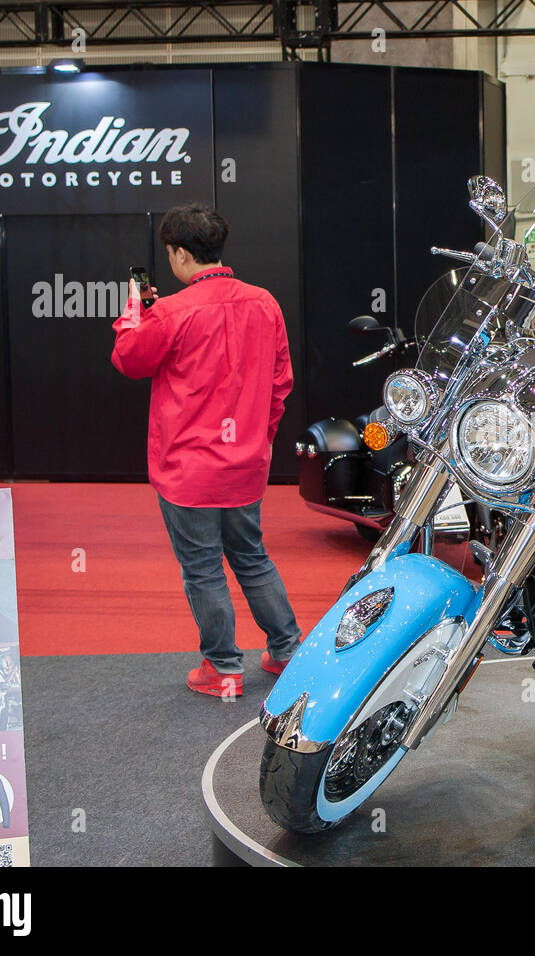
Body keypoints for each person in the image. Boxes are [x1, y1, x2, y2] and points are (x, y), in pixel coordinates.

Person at [111, 202, 302, 698]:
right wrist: (259, 439)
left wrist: (136, 309)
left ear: (176, 254)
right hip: (245, 462)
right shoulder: (265, 303)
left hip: (188, 466)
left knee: (202, 567)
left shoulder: (170, 312)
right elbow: (281, 384)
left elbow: (129, 360)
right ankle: (287, 652)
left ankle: (223, 668)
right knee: (251, 556)